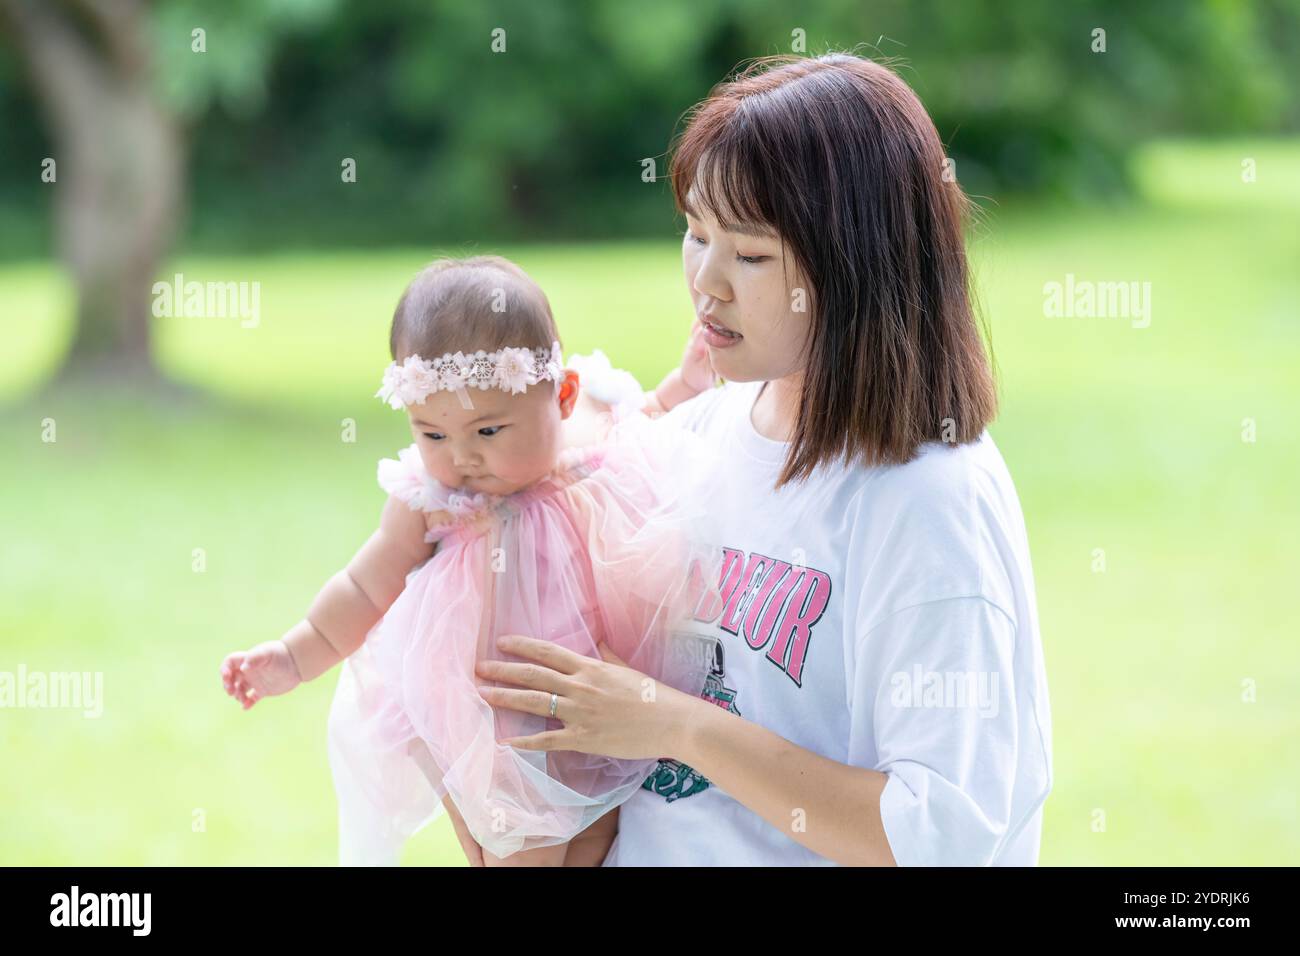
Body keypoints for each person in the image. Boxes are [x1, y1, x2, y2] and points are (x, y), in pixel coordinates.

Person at [475, 53, 1054, 866]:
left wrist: (675, 724)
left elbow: (939, 836)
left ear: (855, 268)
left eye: (750, 255)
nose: (706, 282)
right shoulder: (690, 437)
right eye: (695, 233)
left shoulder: (928, 499)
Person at [220, 254, 724, 866]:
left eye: (487, 432)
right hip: (498, 724)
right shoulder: (432, 499)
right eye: (433, 434)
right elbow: (365, 584)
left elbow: (650, 418)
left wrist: (686, 383)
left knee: (599, 842)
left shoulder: (591, 433)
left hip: (598, 696)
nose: (461, 457)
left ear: (562, 396)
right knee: (522, 844)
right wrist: (295, 655)